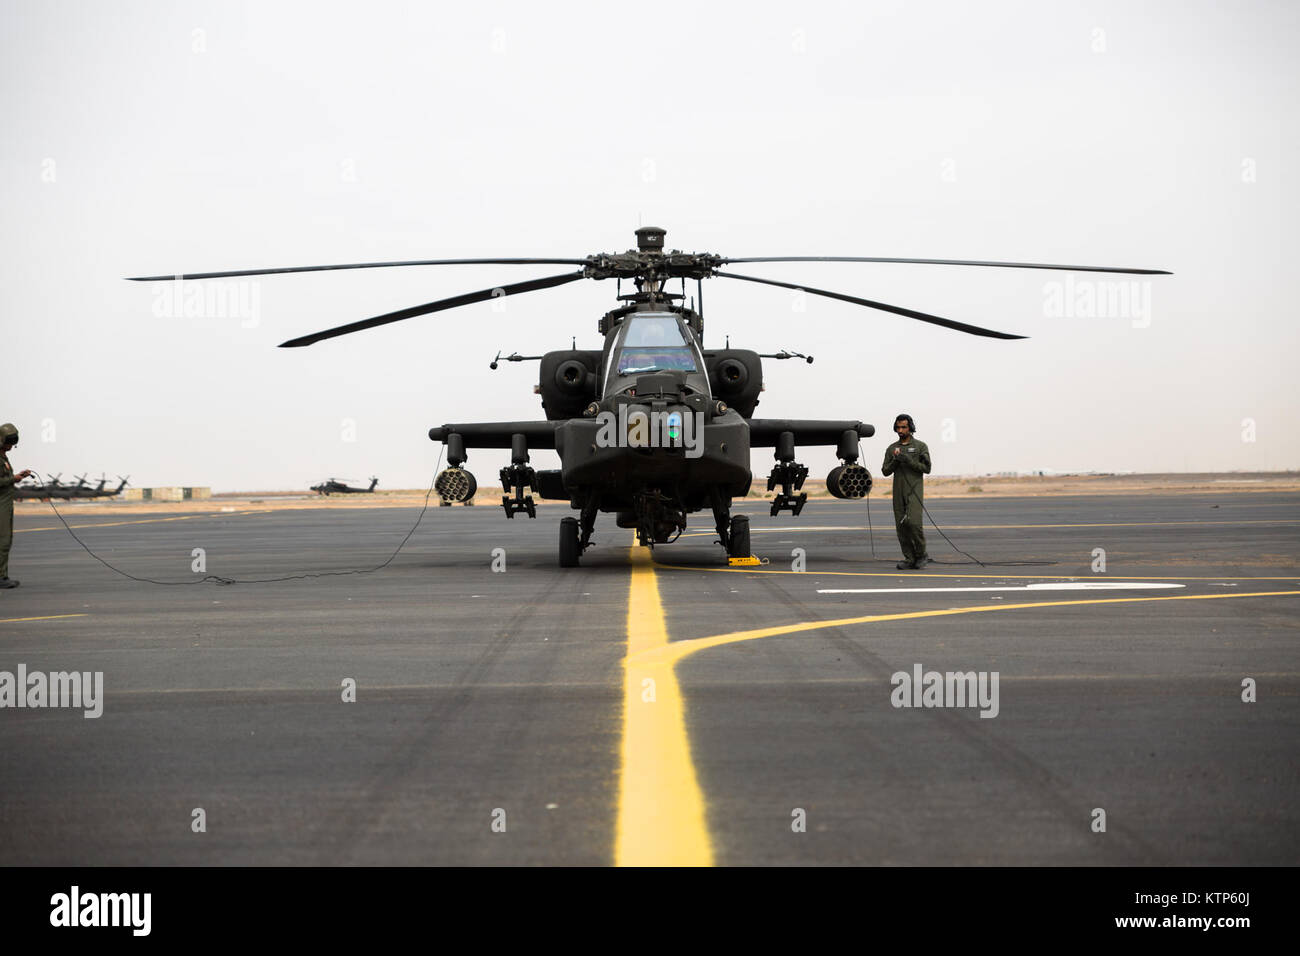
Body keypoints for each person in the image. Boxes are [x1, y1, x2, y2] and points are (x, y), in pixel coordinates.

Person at [880, 413, 931, 570]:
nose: (900, 430)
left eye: (904, 427)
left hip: (914, 490)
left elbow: (927, 468)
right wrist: (896, 460)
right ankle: (909, 558)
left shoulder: (921, 446)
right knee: (901, 526)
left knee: (914, 523)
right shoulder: (892, 449)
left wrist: (909, 460)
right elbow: (885, 471)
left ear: (910, 428)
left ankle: (921, 555)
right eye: (898, 427)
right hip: (898, 491)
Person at [1, 423, 35, 589]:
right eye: (9, 443)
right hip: (1, 505)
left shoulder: (3, 457)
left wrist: (17, 476)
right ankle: (1, 577)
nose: (11, 447)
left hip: (6, 505)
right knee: (3, 541)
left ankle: (3, 575)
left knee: (6, 541)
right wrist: (12, 480)